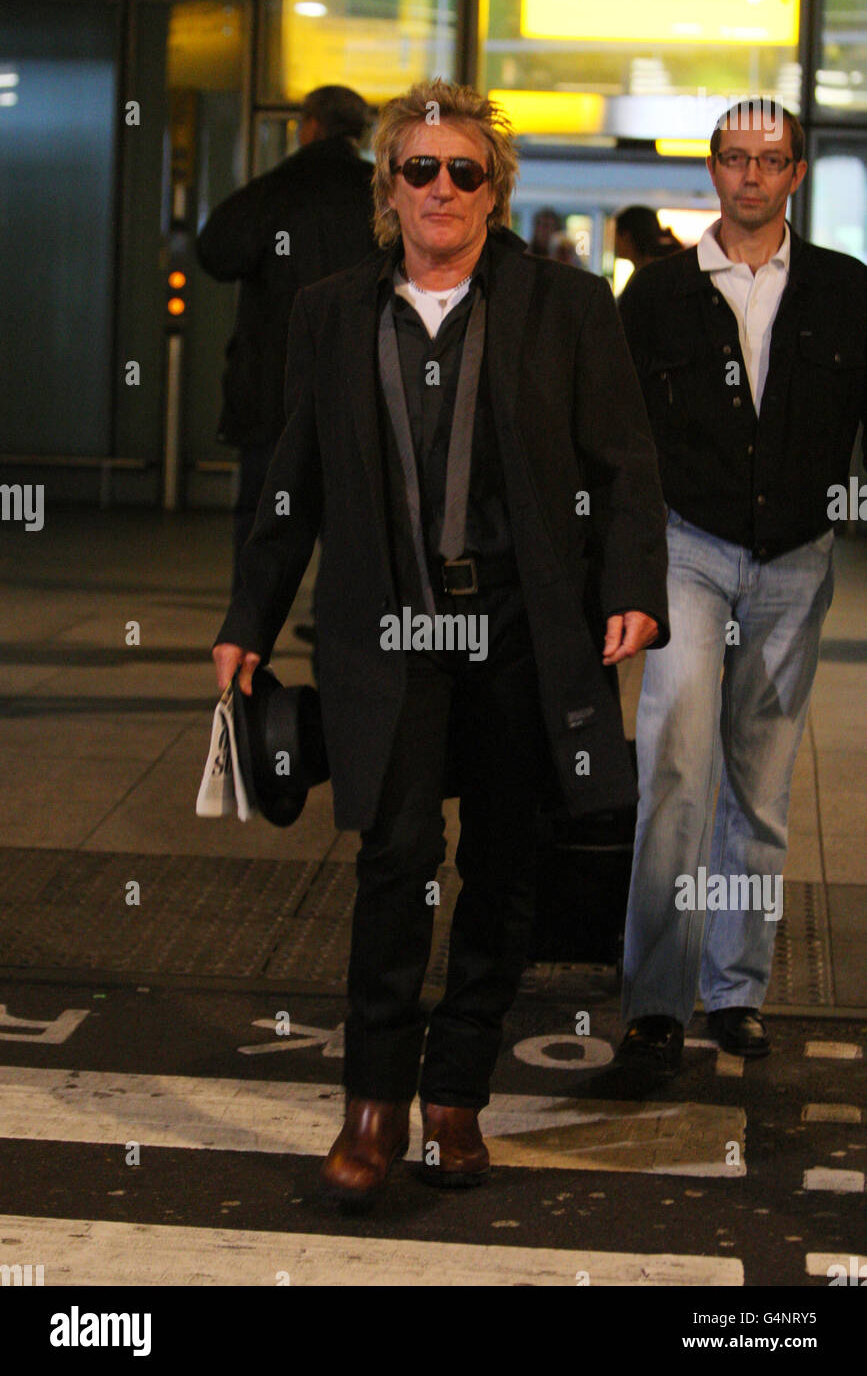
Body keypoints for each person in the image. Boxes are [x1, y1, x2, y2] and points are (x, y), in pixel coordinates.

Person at [212, 78, 669, 1205]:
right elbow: (290, 485)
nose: (442, 189)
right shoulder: (331, 312)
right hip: (391, 632)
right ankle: (373, 1103)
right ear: (390, 185)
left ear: (494, 191)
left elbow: (626, 465)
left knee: (507, 864)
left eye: (466, 171)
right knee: (395, 861)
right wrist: (246, 622)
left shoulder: (565, 308)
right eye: (421, 168)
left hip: (522, 628)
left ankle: (456, 1094)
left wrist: (633, 588)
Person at [614, 99, 867, 1080]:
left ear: (797, 174)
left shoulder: (846, 292)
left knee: (760, 782)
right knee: (676, 763)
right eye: (733, 158)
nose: (750, 175)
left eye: (771, 160)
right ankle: (654, 1003)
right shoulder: (658, 295)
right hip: (687, 546)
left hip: (797, 557)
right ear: (712, 170)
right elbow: (623, 439)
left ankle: (736, 991)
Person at [196, 85, 377, 592]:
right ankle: (339, 633)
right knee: (352, 529)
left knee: (263, 521)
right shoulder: (378, 194)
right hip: (357, 391)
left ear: (310, 125)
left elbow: (215, 251)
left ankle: (251, 641)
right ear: (358, 132)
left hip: (274, 390)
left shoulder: (278, 188)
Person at [614, 206, 683, 293]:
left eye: (617, 235)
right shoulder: (653, 272)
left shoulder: (647, 277)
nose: (615, 242)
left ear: (627, 236)